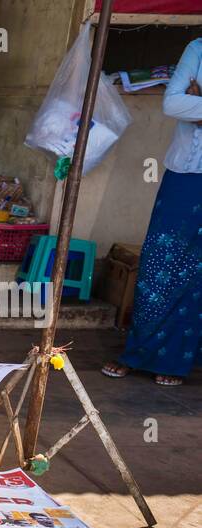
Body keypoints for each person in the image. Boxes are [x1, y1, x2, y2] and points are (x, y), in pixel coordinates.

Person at [103, 39, 202, 387]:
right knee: (160, 266)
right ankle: (139, 352)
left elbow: (186, 104)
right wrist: (189, 102)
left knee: (198, 275)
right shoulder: (198, 48)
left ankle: (176, 360)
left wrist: (199, 101)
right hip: (185, 177)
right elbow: (173, 103)